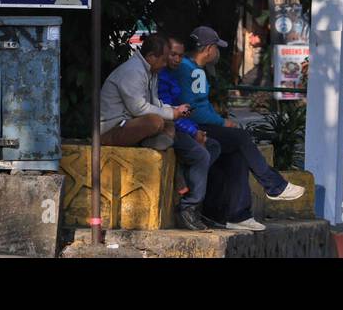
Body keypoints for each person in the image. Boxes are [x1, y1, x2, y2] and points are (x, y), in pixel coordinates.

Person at [171, 26, 305, 233]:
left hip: (199, 124)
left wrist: (219, 120)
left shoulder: (192, 69)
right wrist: (222, 123)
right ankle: (274, 186)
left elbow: (199, 105)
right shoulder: (192, 70)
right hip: (194, 127)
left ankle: (237, 214)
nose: (218, 53)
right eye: (217, 48)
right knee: (241, 137)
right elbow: (194, 110)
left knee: (236, 154)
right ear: (208, 49)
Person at [158, 37, 222, 231]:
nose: (177, 59)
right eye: (173, 55)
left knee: (213, 146)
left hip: (177, 124)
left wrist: (196, 131)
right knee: (201, 154)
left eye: (180, 55)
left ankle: (187, 187)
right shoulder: (160, 76)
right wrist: (193, 132)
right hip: (164, 127)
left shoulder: (172, 75)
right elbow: (168, 111)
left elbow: (181, 110)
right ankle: (188, 208)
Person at [99, 33, 189, 150]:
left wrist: (175, 110)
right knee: (155, 122)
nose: (165, 64)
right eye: (163, 60)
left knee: (169, 124)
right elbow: (138, 109)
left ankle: (152, 143)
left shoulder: (152, 71)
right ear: (151, 56)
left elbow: (154, 102)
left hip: (130, 123)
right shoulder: (133, 71)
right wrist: (171, 114)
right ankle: (150, 143)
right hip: (112, 128)